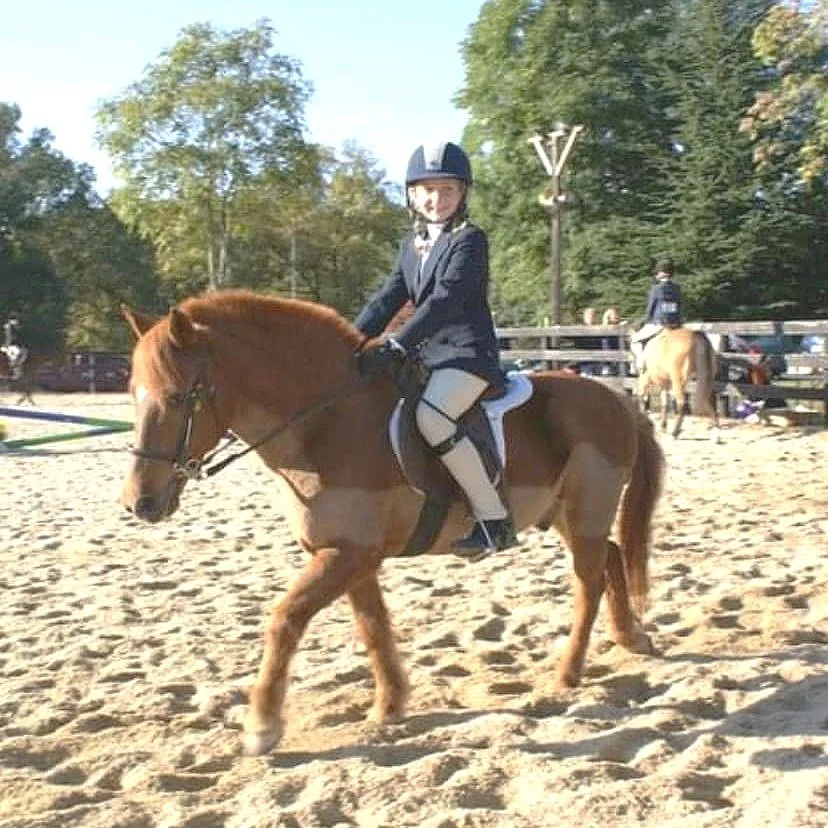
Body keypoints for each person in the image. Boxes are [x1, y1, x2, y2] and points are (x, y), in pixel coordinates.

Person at [353, 141, 517, 559]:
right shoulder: (412, 244)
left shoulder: (470, 240)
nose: (436, 199)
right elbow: (387, 299)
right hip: (427, 355)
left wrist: (397, 343)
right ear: (411, 194)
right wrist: (349, 339)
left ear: (463, 194)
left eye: (447, 190)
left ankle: (493, 519)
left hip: (467, 355)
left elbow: (445, 300)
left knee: (433, 417)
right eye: (427, 189)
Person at [631, 258, 682, 373]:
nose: (656, 275)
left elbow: (650, 309)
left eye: (657, 273)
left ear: (661, 273)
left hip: (659, 324)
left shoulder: (656, 289)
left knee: (635, 340)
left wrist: (642, 321)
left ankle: (640, 365)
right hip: (675, 324)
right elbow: (679, 306)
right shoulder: (677, 288)